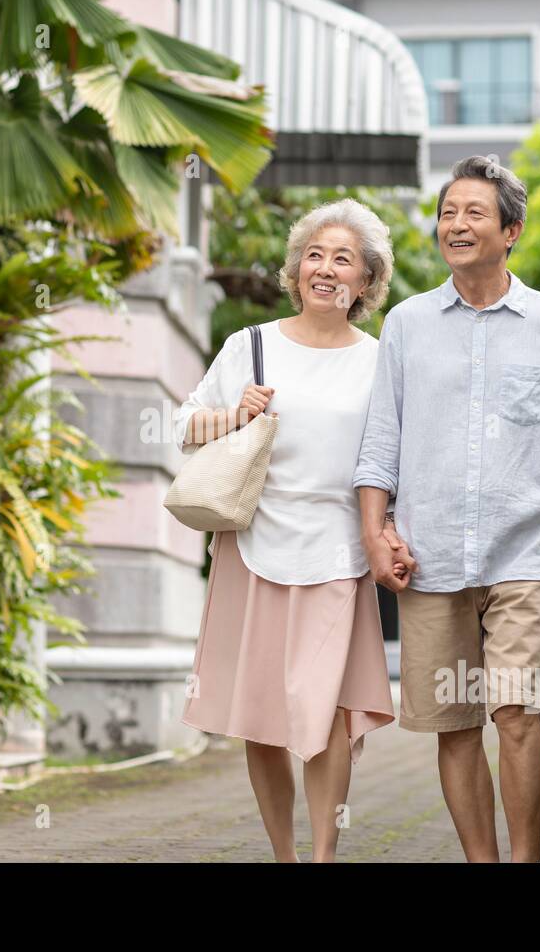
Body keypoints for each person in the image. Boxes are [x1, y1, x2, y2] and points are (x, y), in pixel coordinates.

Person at [354, 155, 540, 862]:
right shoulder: (406, 326)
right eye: (448, 213)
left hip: (523, 555)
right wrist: (375, 533)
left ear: (512, 231)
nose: (457, 225)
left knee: (515, 713)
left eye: (474, 213)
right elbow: (380, 445)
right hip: (432, 554)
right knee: (455, 724)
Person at [172, 199, 405, 863]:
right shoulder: (249, 347)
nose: (325, 269)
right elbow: (187, 425)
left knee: (327, 709)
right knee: (263, 717)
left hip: (339, 548)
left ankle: (324, 855)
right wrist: (233, 414)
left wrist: (391, 530)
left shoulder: (380, 361)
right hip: (253, 544)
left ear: (365, 283)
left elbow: (394, 456)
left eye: (343, 260)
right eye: (314, 255)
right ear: (295, 269)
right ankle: (285, 854)